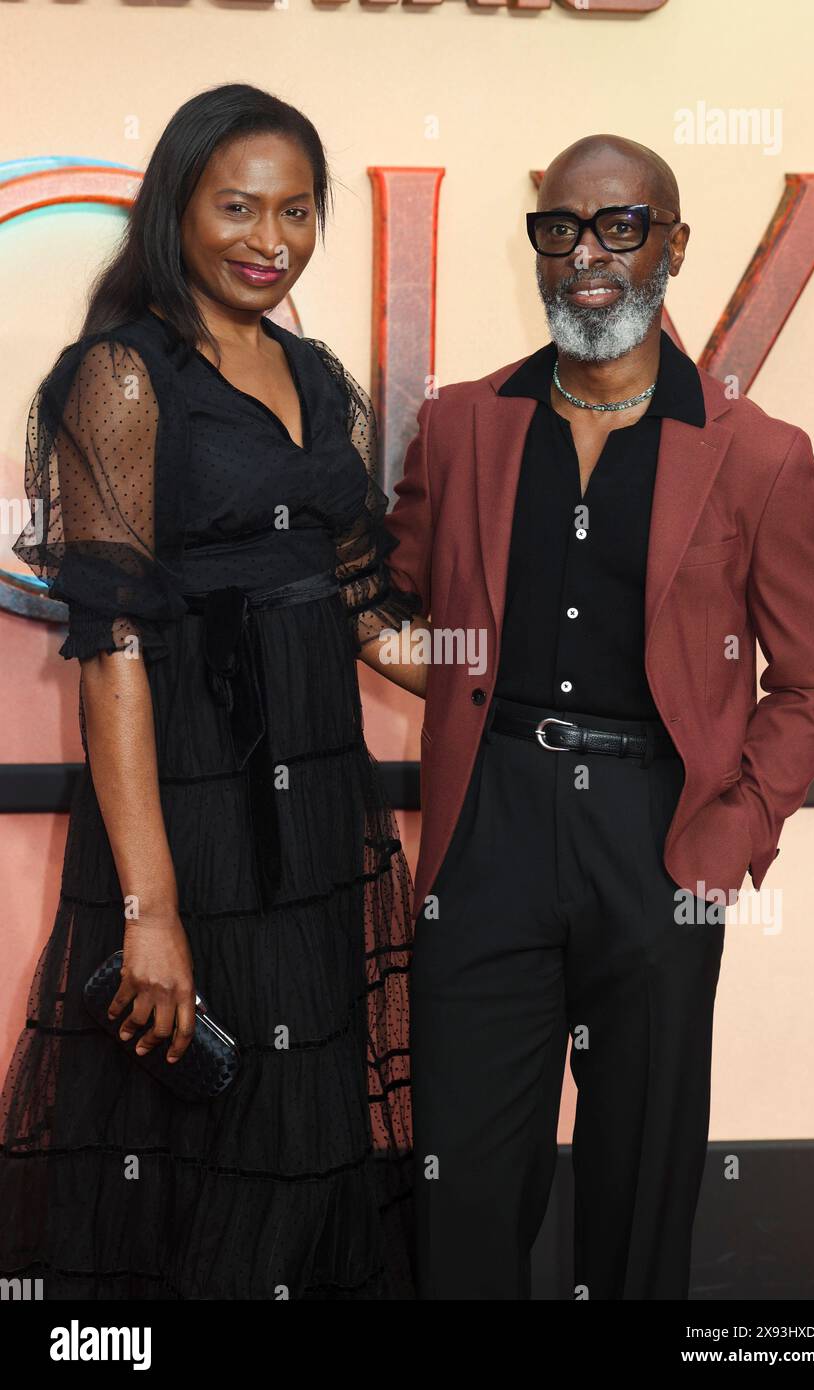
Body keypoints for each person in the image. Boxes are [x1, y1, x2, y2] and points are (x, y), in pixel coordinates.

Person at [380, 134, 814, 1299]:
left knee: (639, 1184)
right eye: (560, 229)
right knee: (464, 1186)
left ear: (672, 246)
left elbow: (809, 681)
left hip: (658, 829)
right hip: (485, 824)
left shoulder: (757, 456)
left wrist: (728, 838)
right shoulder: (458, 427)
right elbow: (398, 612)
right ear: (537, 248)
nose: (586, 253)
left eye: (619, 227)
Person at [0, 82, 427, 1300]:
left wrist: (497, 678)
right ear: (177, 206)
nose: (269, 237)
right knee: (188, 1125)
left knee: (304, 1111)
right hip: (189, 804)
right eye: (237, 205)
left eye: (296, 210)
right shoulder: (123, 378)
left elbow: (360, 608)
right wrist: (149, 907)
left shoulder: (308, 368)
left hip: (312, 808)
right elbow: (113, 651)